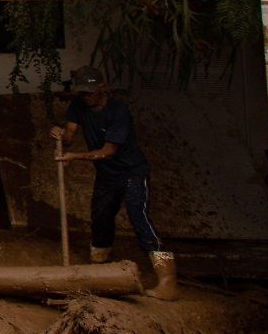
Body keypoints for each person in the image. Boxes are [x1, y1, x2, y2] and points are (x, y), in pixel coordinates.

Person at [50, 66, 176, 297]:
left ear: (102, 89)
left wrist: (74, 157)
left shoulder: (119, 111)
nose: (86, 97)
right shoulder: (78, 106)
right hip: (106, 174)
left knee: (139, 218)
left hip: (131, 172)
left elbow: (107, 151)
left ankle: (168, 281)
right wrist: (61, 134)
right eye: (82, 93)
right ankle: (99, 268)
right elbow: (69, 136)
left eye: (90, 92)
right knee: (100, 215)